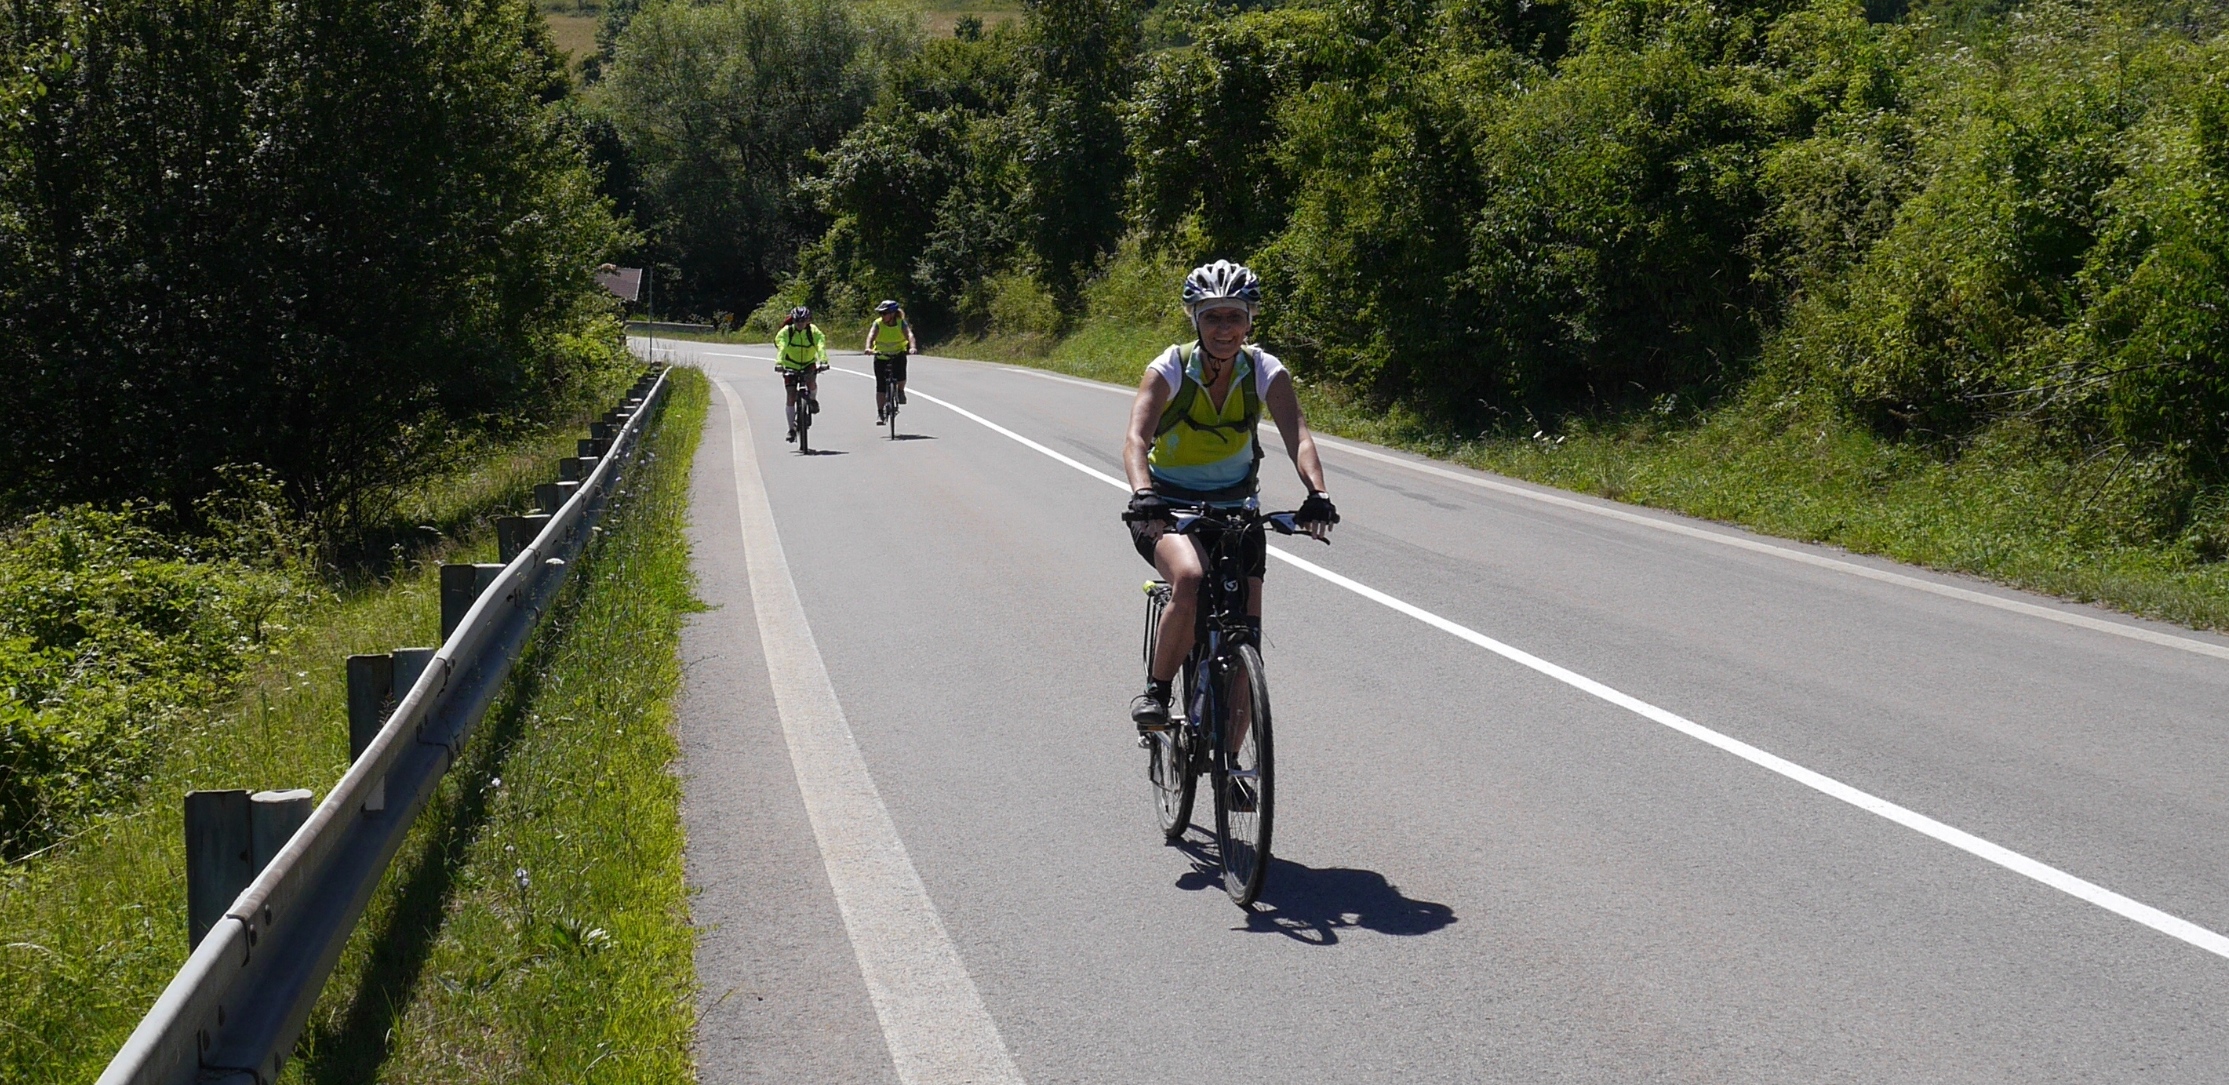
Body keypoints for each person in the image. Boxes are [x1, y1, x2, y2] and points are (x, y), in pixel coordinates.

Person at [1123, 260, 1338, 733]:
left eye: (1234, 316)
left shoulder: (1264, 370)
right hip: (1167, 508)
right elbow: (1136, 440)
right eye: (1212, 316)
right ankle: (1157, 693)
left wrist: (1317, 492)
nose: (1224, 328)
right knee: (1191, 576)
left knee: (1247, 639)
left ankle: (1236, 768)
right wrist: (1144, 494)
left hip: (1236, 510)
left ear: (1250, 320)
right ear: (1194, 318)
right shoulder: (1169, 369)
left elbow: (1298, 437)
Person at [774, 306, 828, 442]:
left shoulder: (813, 331)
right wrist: (779, 363)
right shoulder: (787, 332)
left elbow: (820, 346)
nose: (800, 324)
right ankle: (791, 429)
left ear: (808, 320)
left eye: (803, 321)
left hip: (808, 363)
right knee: (791, 395)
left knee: (811, 383)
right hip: (791, 365)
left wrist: (824, 361)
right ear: (793, 320)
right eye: (797, 321)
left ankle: (813, 399)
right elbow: (782, 347)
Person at [863, 300, 917, 423]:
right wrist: (868, 348)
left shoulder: (900, 323)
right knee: (881, 386)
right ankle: (880, 413)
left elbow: (910, 335)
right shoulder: (878, 324)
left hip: (898, 354)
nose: (882, 316)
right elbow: (871, 336)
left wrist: (912, 347)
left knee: (901, 376)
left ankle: (900, 391)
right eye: (881, 314)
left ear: (892, 314)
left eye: (884, 313)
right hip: (881, 356)